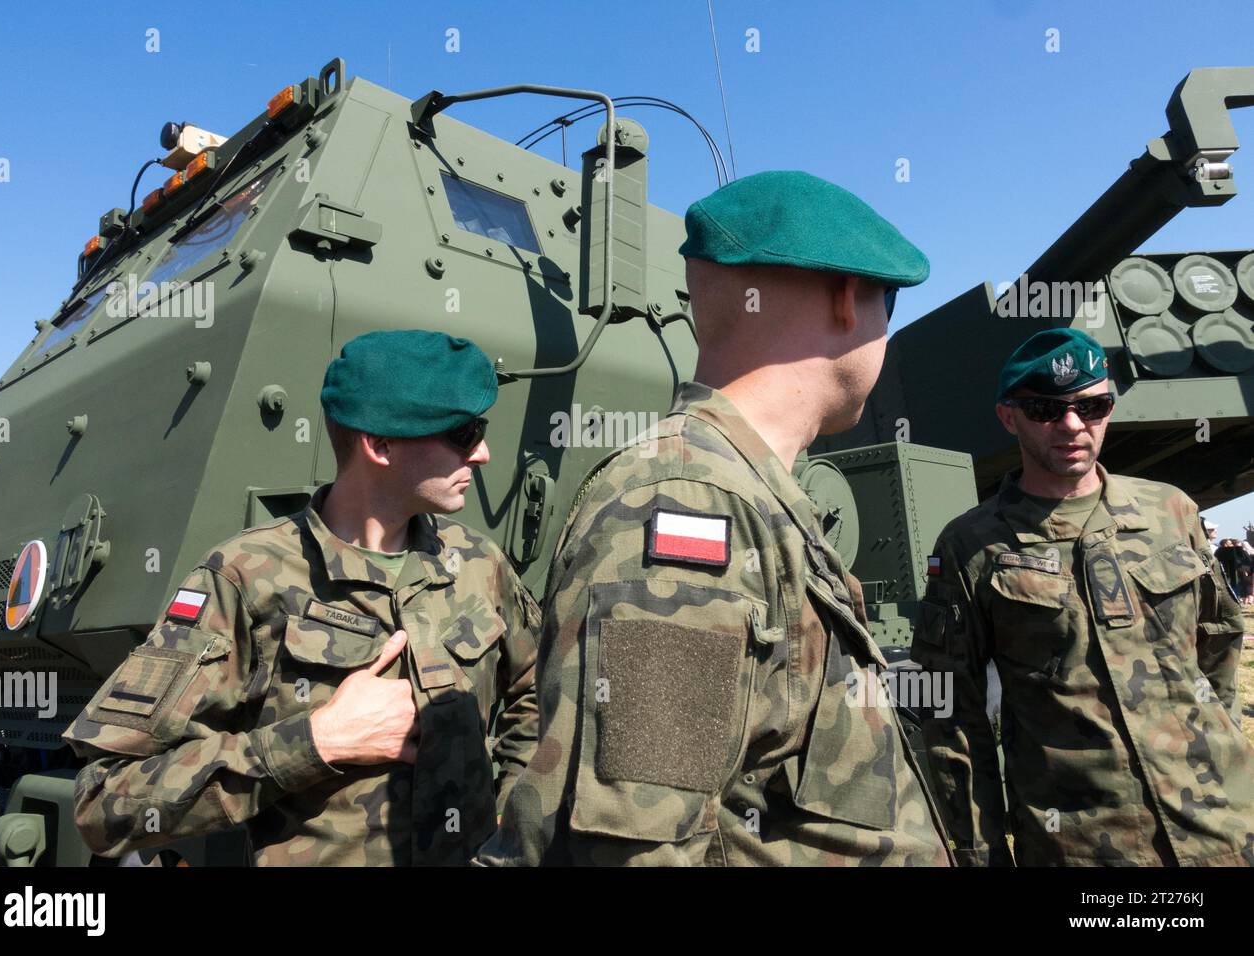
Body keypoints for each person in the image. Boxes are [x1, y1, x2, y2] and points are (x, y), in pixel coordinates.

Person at [478, 170, 951, 866]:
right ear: (849, 299)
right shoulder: (692, 502)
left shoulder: (741, 493)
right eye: (890, 304)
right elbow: (637, 848)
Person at [64, 330, 540, 865]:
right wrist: (317, 742)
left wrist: (509, 819)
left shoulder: (479, 564)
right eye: (463, 433)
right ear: (379, 445)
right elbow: (103, 805)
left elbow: (536, 695)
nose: (482, 453)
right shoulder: (243, 579)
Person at [910, 327, 1253, 866]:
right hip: (1088, 848)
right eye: (1045, 409)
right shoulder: (971, 545)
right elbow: (952, 714)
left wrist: (1220, 743)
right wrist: (979, 851)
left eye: (1091, 406)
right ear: (1008, 417)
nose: (1072, 425)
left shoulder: (1171, 512)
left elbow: (1218, 641)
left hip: (1222, 826)